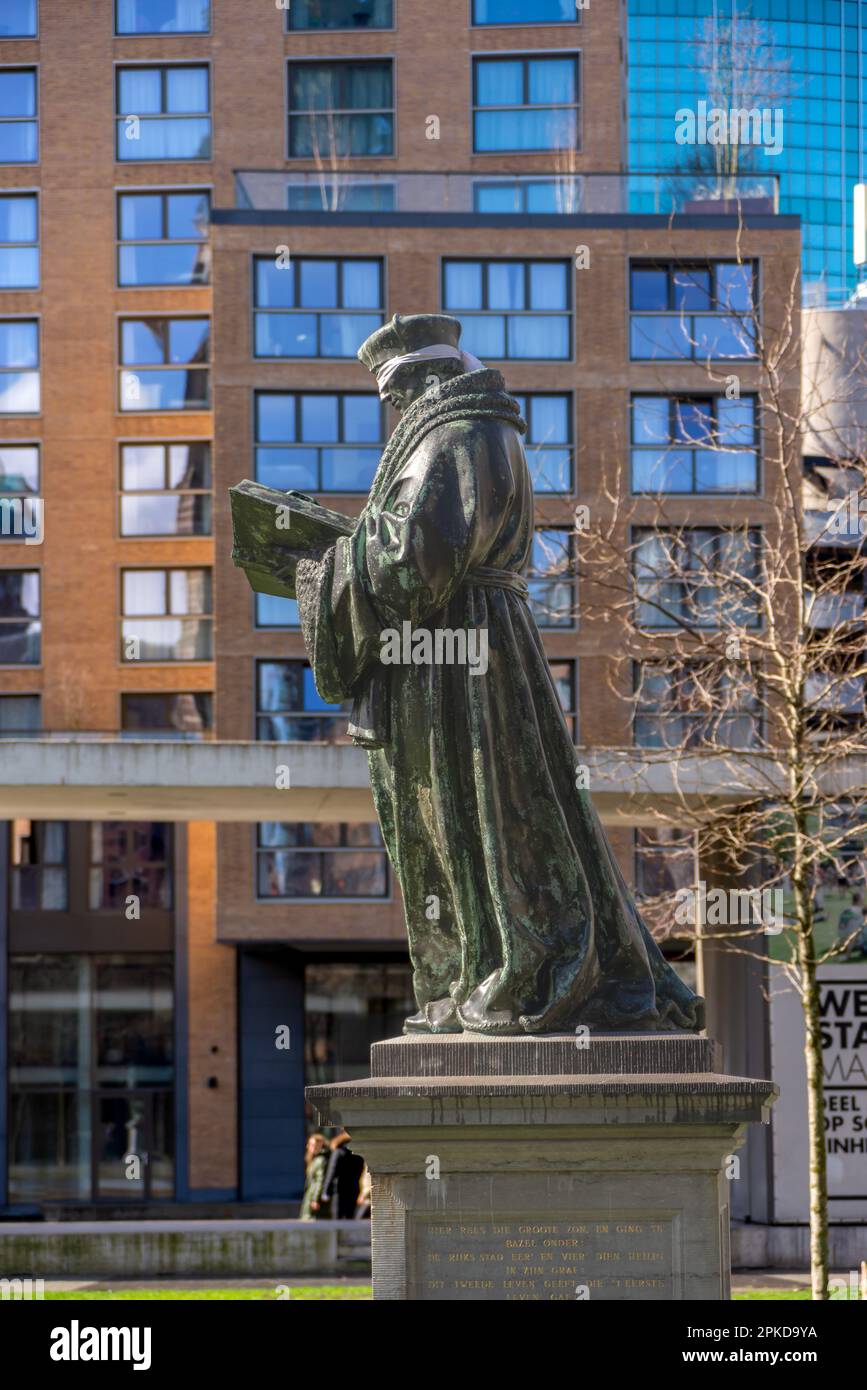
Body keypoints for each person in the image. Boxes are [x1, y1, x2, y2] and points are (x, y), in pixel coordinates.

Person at [295, 313, 705, 1036]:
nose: (392, 408)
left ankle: (510, 968)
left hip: (455, 654)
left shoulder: (452, 434)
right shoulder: (487, 431)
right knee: (497, 807)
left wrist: (321, 563)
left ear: (425, 379)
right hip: (479, 642)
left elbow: (414, 563)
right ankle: (496, 965)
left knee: (474, 808)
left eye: (395, 391)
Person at [320, 1131, 365, 1220]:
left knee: (337, 1218)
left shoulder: (338, 1151)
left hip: (339, 1190)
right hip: (354, 1189)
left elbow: (331, 1172)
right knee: (350, 1218)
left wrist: (326, 1191)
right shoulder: (359, 1153)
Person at [299, 1132, 328, 1220]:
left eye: (312, 1144)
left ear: (320, 1145)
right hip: (310, 1195)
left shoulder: (320, 1160)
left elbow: (319, 1180)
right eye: (309, 1144)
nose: (308, 1146)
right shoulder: (314, 1159)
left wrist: (315, 1199)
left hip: (312, 1196)